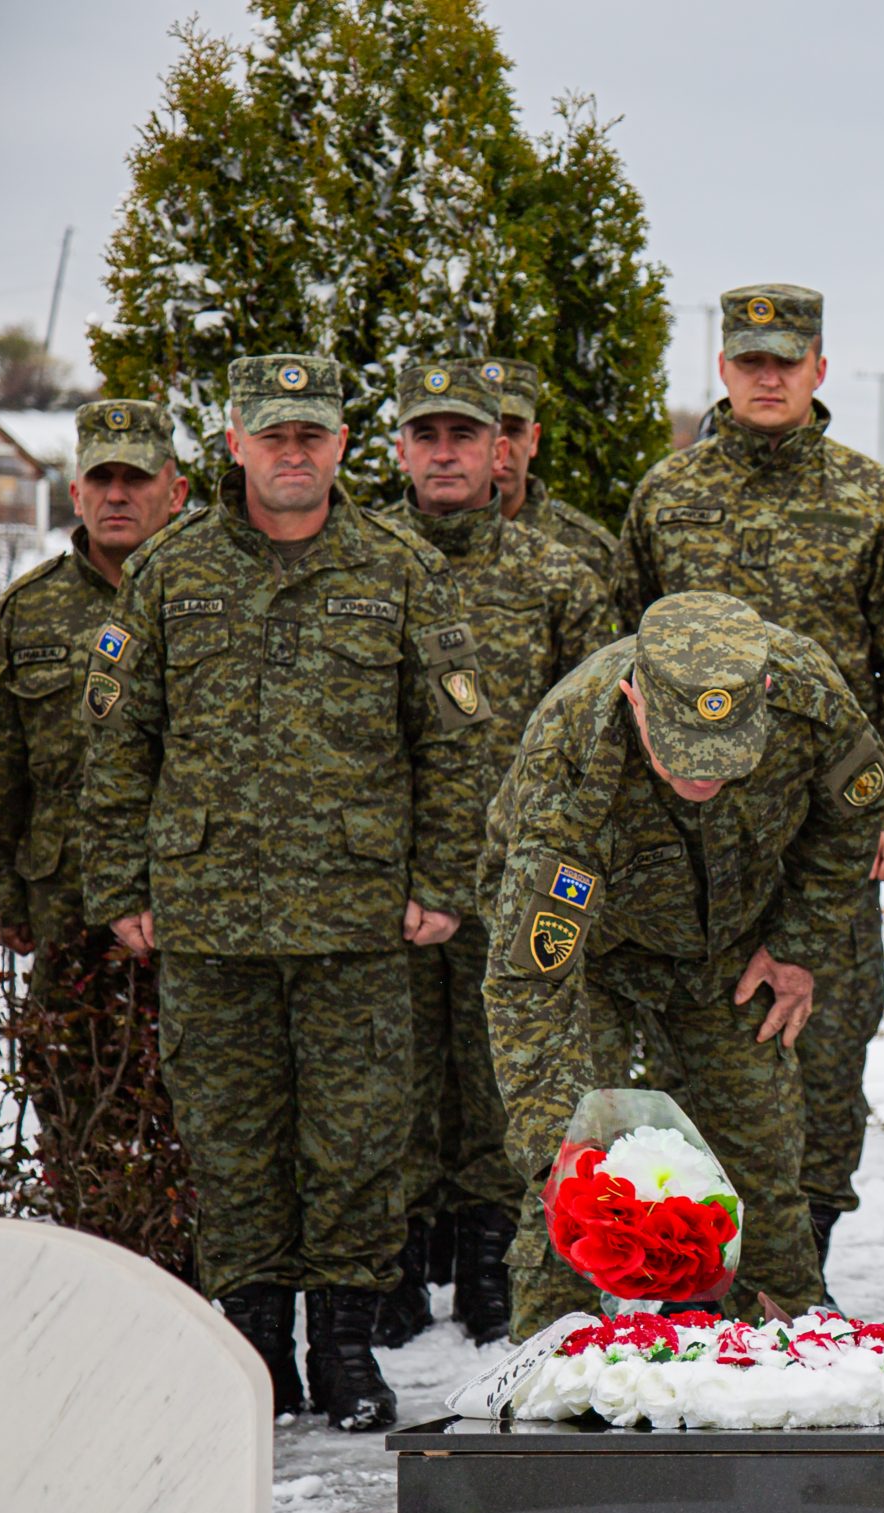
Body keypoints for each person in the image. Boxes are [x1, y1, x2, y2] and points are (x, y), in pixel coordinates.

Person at [82, 354, 494, 1429]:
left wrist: (445, 880)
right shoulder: (171, 574)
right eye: (275, 436)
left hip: (357, 916)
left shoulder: (398, 570)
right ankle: (257, 1345)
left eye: (312, 434)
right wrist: (121, 881)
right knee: (231, 1140)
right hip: (209, 913)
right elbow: (119, 743)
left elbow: (453, 744)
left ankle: (347, 1347)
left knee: (358, 1142)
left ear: (343, 445)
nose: (294, 453)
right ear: (234, 445)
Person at [608, 284, 884, 1300]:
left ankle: (802, 1277)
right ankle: (695, 1274)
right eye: (749, 360)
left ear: (818, 371)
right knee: (694, 1055)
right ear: (722, 367)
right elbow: (621, 662)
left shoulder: (871, 499)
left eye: (785, 361)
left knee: (826, 1056)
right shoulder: (664, 497)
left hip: (825, 836)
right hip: (690, 834)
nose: (767, 377)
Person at [480, 591, 884, 1341]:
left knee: (761, 1157)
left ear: (763, 695)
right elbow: (530, 984)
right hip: (590, 954)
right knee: (581, 1164)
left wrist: (797, 942)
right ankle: (555, 1357)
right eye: (680, 756)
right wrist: (556, 1155)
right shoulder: (571, 750)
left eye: (724, 759)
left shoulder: (810, 700)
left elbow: (854, 817)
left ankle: (785, 1348)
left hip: (730, 947)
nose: (702, 779)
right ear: (635, 696)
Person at [373, 358, 618, 1348]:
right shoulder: (360, 564)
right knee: (387, 1078)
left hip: (517, 877)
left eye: (464, 436)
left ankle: (490, 1264)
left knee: (504, 1079)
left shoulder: (556, 575)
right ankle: (388, 1268)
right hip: (381, 876)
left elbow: (602, 733)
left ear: (498, 449)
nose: (445, 454)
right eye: (426, 436)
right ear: (397, 447)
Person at [0, 400, 189, 993]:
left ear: (176, 493)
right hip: (63, 900)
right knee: (64, 1073)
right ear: (75, 490)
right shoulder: (29, 609)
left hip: (190, 903)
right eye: (101, 478)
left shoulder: (209, 600)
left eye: (136, 478)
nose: (116, 496)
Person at [481, 356, 618, 583]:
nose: (501, 447)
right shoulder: (413, 543)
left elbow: (617, 621)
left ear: (534, 440)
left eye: (514, 431)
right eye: (487, 432)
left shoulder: (591, 552)